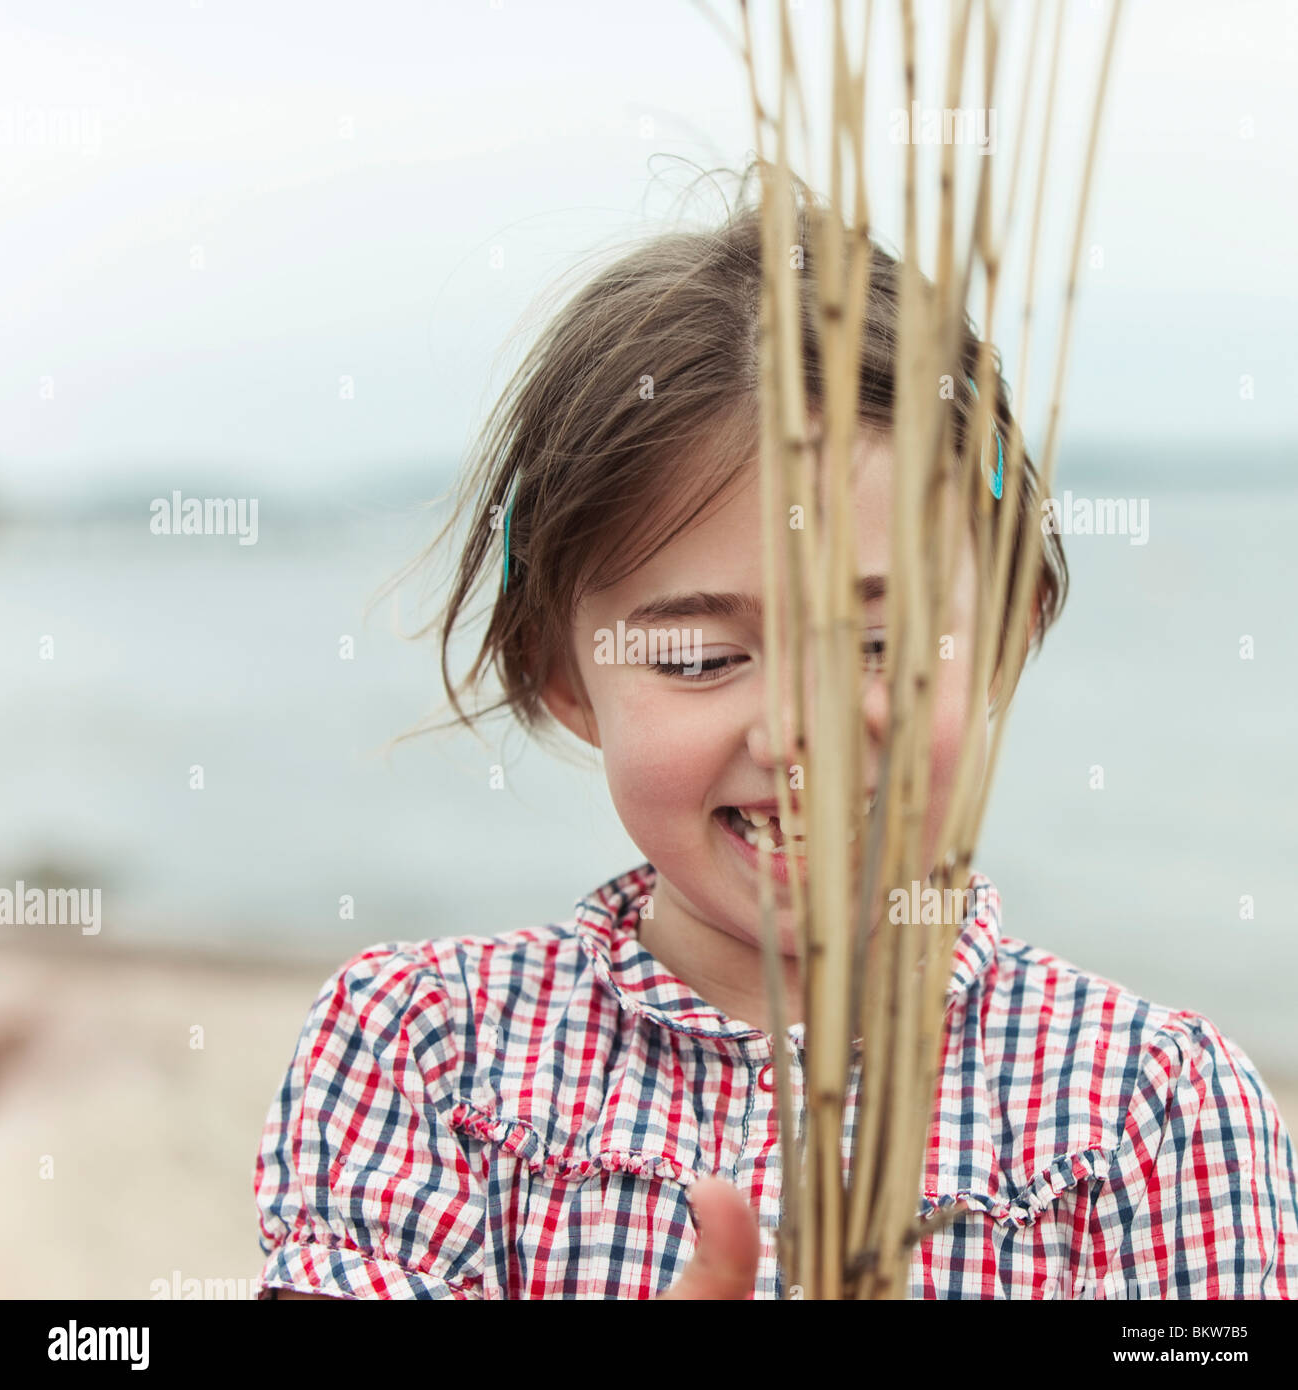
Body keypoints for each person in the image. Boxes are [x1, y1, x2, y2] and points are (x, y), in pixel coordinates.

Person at [254, 164, 1298, 1300]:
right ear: (562, 673)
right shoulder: (425, 1053)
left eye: (880, 642)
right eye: (700, 657)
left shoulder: (1156, 1111)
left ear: (1002, 635)